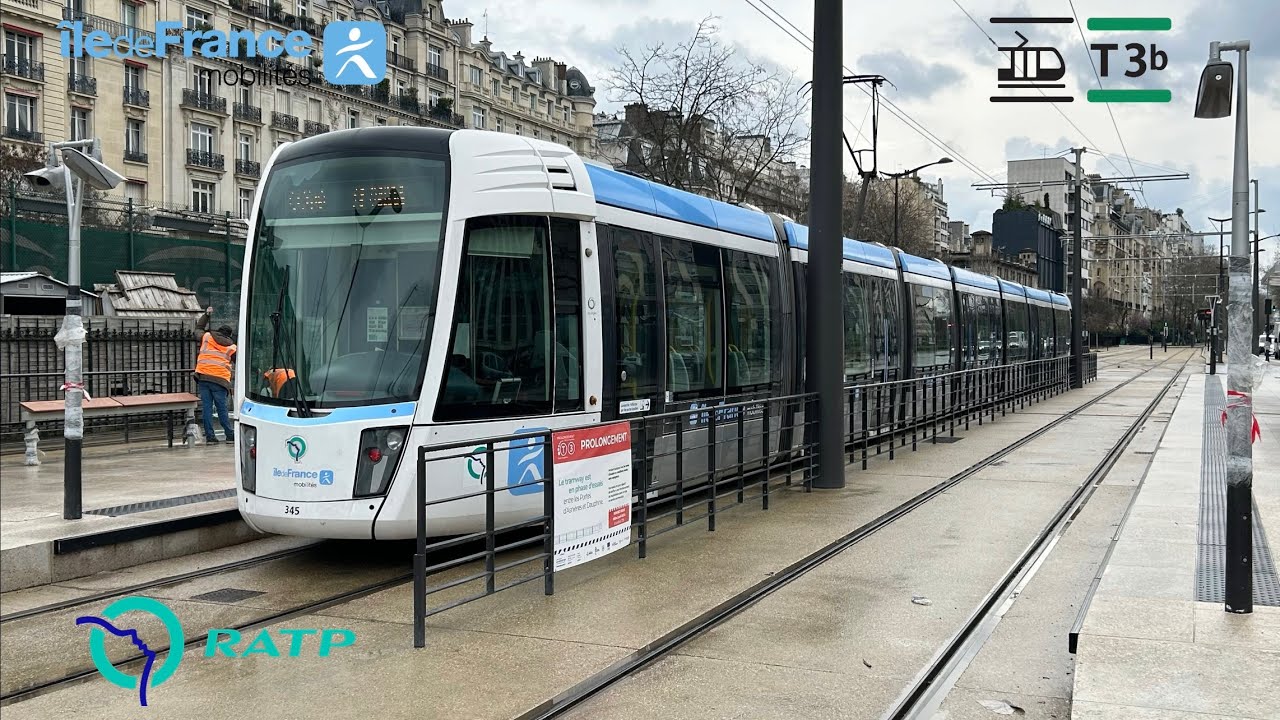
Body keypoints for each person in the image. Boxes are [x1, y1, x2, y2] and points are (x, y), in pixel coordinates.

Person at [195, 307, 236, 444]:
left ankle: (210, 437)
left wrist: (206, 315)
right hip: (220, 381)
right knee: (221, 408)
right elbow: (239, 362)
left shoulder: (207, 337)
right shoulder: (232, 347)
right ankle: (229, 435)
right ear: (229, 335)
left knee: (206, 407)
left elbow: (198, 328)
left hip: (203, 377)